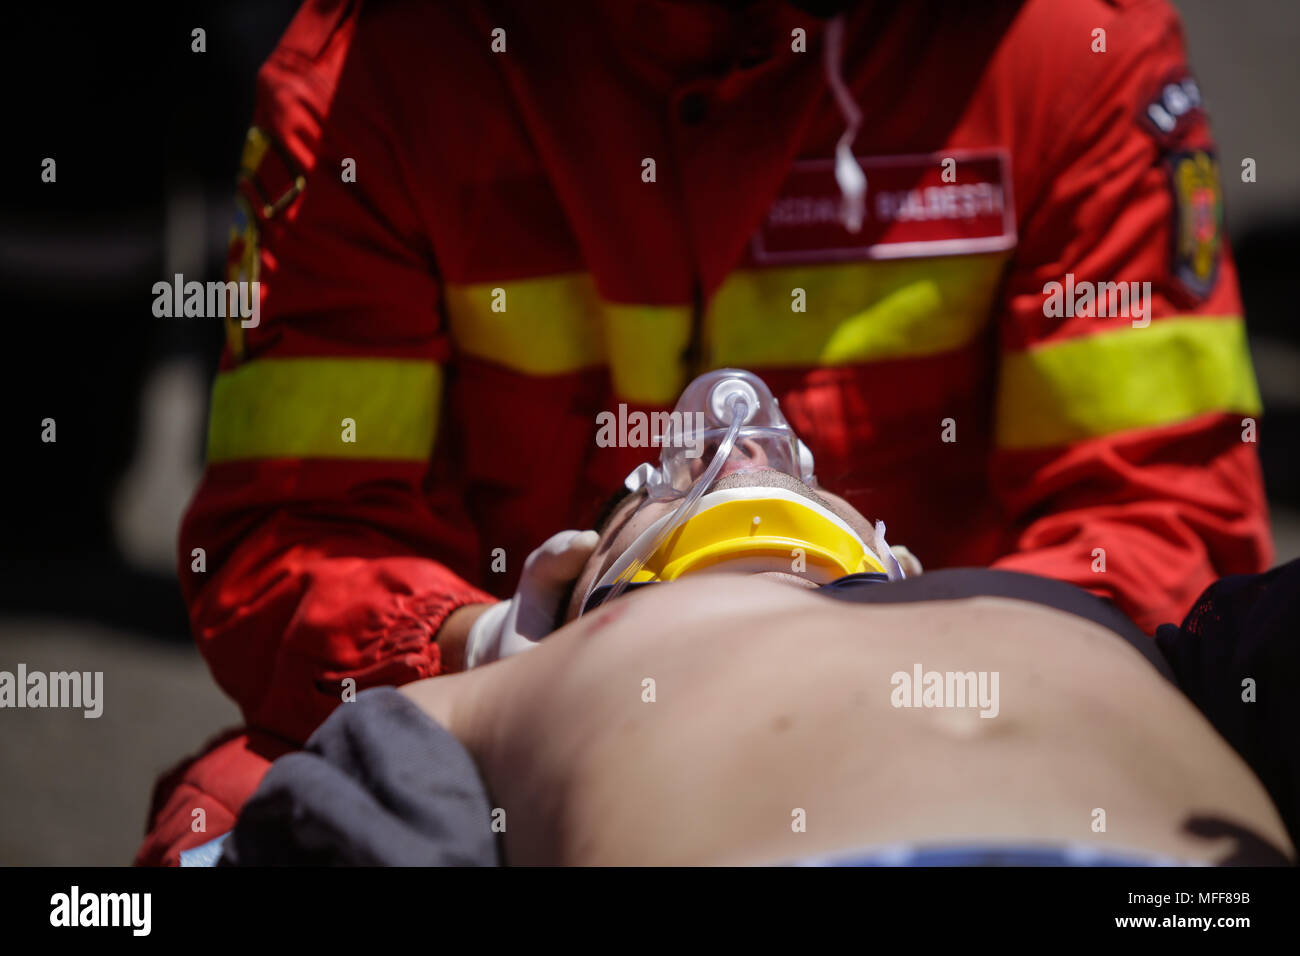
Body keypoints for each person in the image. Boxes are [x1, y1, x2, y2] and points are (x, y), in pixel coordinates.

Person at [139, 0, 1270, 864]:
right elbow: (292, 529)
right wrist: (469, 647)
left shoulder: (1059, 46)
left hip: (997, 718)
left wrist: (973, 663)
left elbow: (1159, 513)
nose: (733, 436)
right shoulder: (387, 69)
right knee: (230, 803)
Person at [213, 376, 1294, 865]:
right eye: (646, 487)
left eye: (807, 470)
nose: (740, 447)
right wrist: (482, 648)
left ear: (897, 560)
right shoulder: (526, 676)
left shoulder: (1098, 628)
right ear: (582, 587)